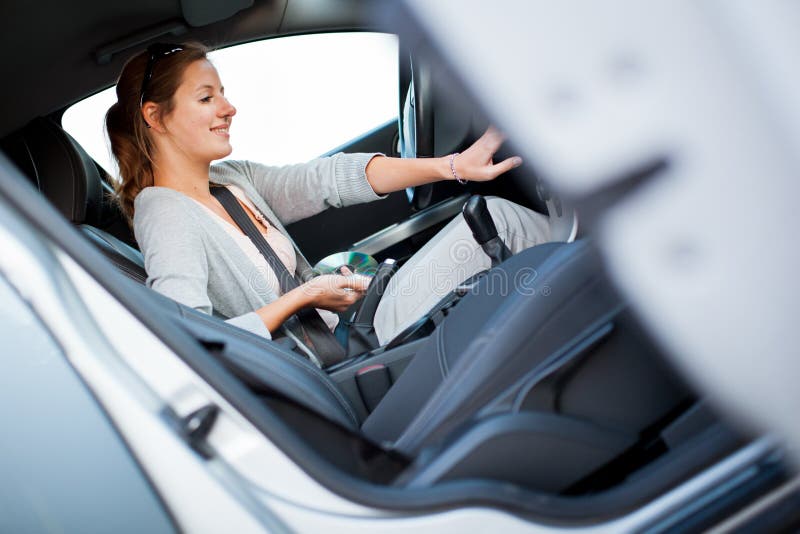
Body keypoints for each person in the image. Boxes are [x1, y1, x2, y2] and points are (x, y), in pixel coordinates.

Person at [106, 42, 553, 347]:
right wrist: (303, 296)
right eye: (206, 98)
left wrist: (452, 166)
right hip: (344, 354)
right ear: (156, 117)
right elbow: (189, 341)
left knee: (501, 247)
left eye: (223, 93)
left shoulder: (229, 180)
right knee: (499, 223)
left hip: (354, 323)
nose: (229, 107)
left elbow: (329, 180)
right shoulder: (164, 213)